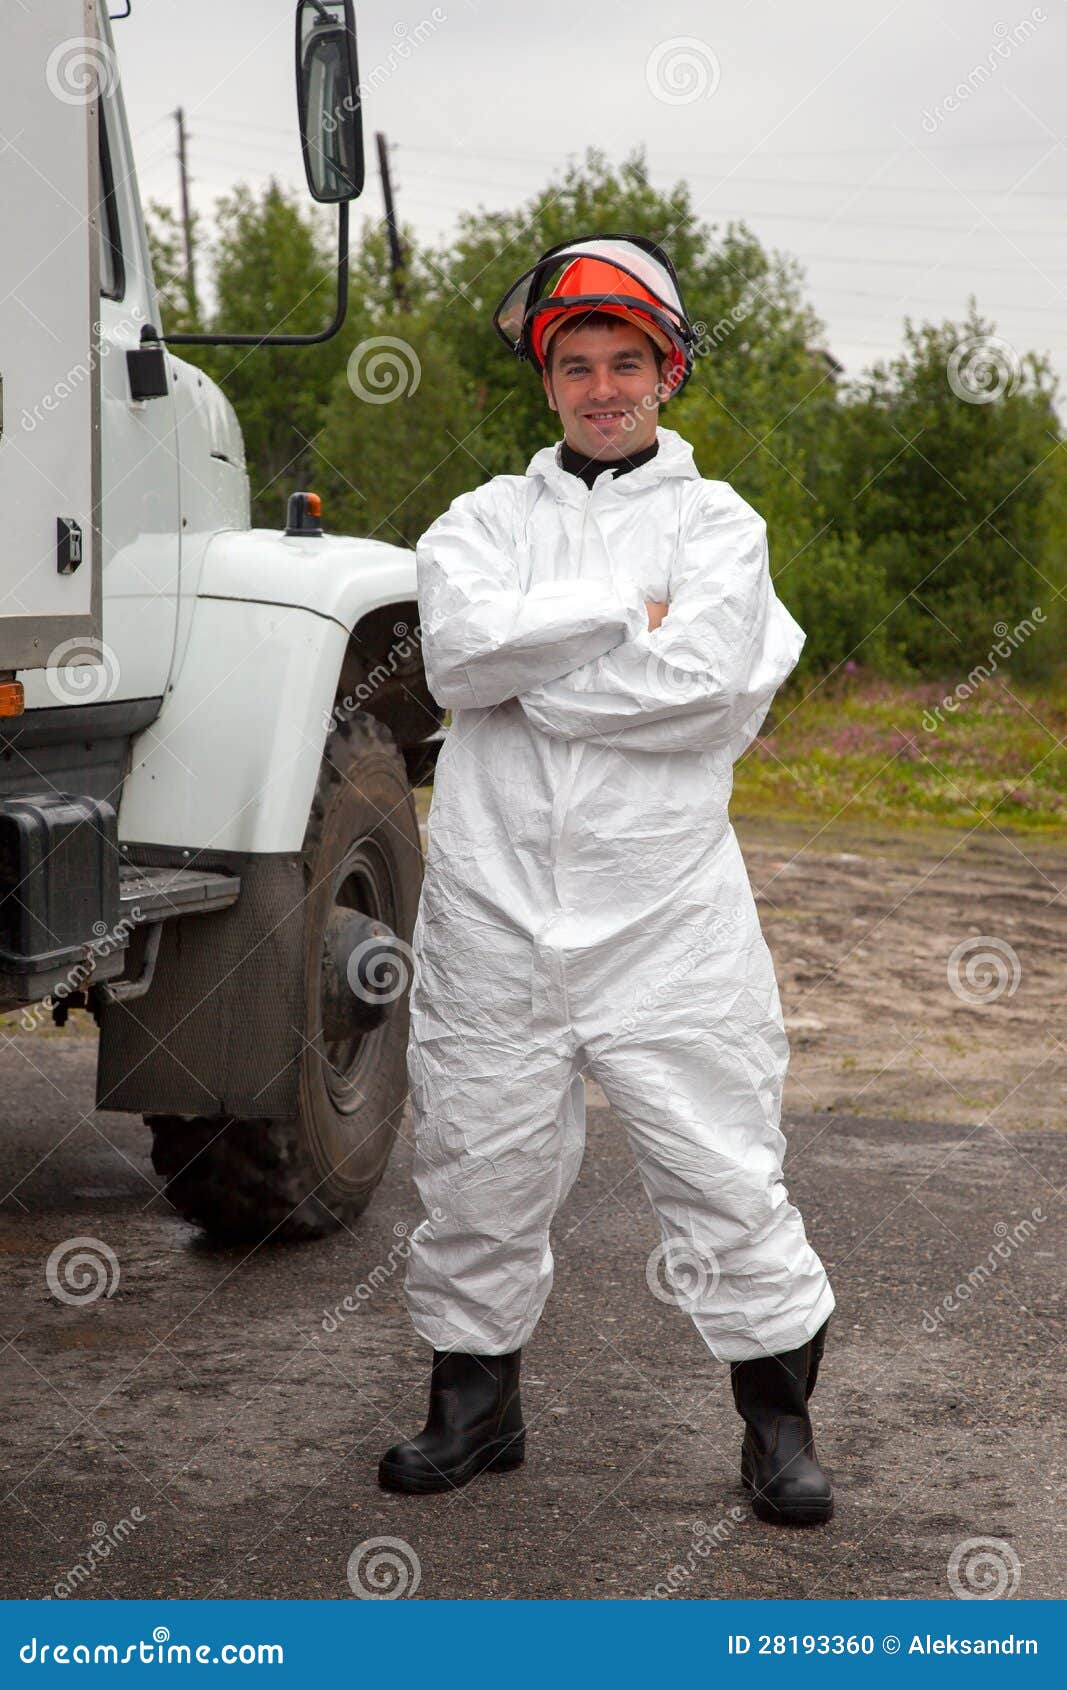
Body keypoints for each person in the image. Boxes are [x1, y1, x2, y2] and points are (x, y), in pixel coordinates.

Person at [378, 236, 835, 1525]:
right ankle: (473, 1410)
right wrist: (616, 623)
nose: (599, 387)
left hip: (667, 919)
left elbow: (699, 694)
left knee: (722, 1166)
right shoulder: (480, 521)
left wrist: (539, 662)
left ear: (667, 373)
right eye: (574, 365)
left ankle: (778, 1429)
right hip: (495, 909)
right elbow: (459, 666)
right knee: (476, 1161)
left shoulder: (718, 526)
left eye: (625, 362)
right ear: (548, 382)